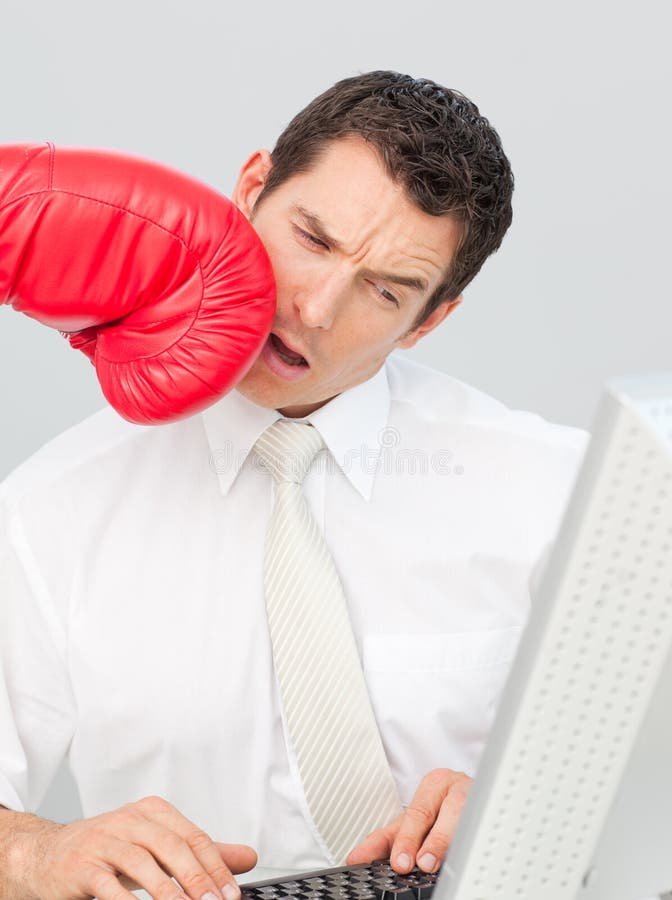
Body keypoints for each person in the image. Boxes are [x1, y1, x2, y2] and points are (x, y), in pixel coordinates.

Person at [0, 70, 587, 900]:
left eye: (384, 291)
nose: (314, 308)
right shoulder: (50, 510)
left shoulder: (550, 488)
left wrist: (543, 803)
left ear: (429, 321)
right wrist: (31, 855)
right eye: (311, 239)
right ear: (249, 192)